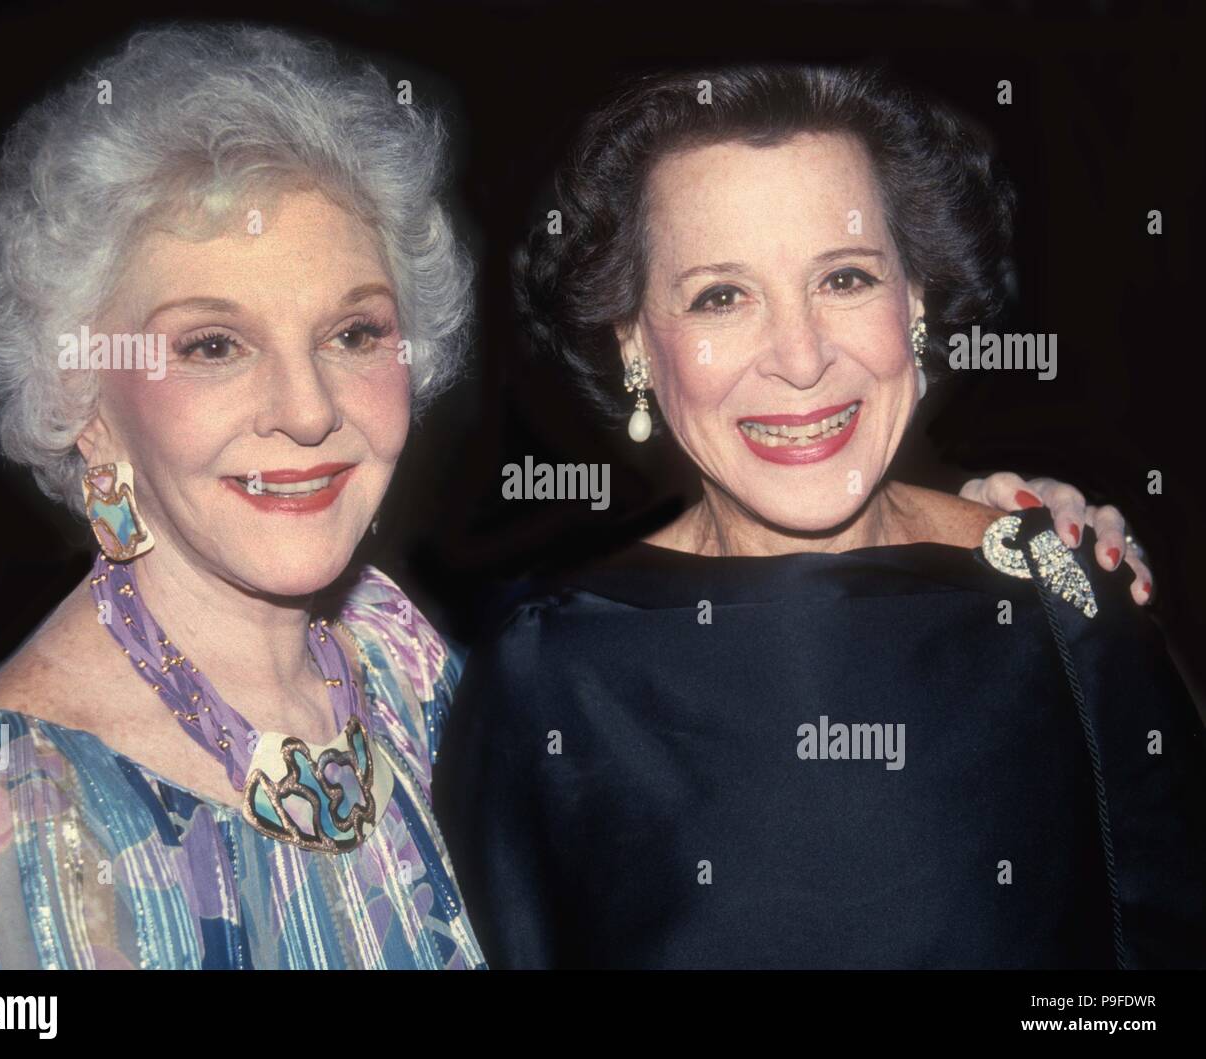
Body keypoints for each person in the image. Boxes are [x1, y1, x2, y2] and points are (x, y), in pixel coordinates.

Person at [435, 65, 1206, 969]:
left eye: (845, 278)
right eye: (721, 295)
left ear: (915, 300)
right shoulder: (546, 670)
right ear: (637, 343)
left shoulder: (1065, 592)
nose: (800, 359)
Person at [0, 25, 484, 970]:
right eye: (214, 344)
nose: (307, 411)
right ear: (85, 404)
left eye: (353, 333)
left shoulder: (396, 650)